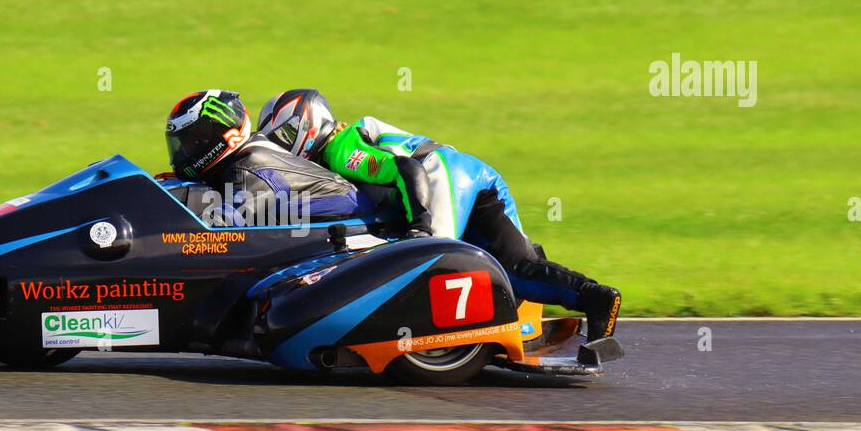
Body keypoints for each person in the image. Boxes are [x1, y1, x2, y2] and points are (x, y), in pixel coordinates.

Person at [257, 88, 622, 339]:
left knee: (427, 260)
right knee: (516, 268)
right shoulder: (338, 149)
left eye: (286, 136)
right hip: (472, 174)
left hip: (440, 172)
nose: (284, 148)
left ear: (310, 122)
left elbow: (406, 170)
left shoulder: (340, 148)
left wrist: (420, 228)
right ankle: (595, 298)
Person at [165, 89, 364, 227]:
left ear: (216, 136)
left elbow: (221, 226)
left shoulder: (251, 165)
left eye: (190, 142)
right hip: (322, 235)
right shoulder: (240, 160)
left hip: (356, 230)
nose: (183, 151)